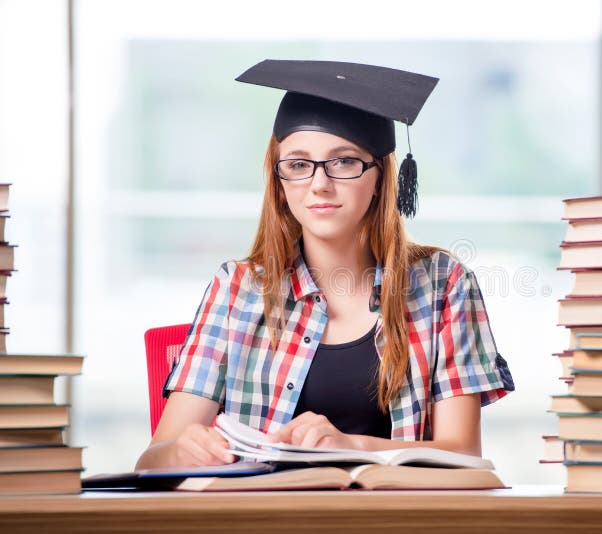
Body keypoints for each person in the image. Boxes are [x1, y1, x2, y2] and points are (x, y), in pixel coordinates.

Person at [135, 60, 515, 470]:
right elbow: (151, 461)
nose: (319, 184)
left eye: (344, 161)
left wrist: (350, 447)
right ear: (280, 184)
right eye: (298, 165)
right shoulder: (237, 288)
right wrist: (183, 450)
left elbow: (465, 455)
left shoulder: (445, 285)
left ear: (380, 178)